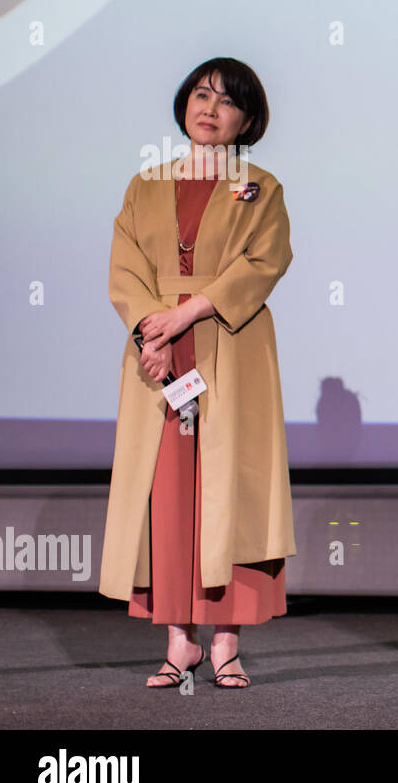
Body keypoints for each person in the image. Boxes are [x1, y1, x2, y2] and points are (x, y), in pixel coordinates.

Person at [101, 57, 295, 689]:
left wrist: (186, 313)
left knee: (228, 487)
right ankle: (178, 641)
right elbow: (125, 269)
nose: (210, 108)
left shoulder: (259, 186)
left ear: (247, 118)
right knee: (169, 491)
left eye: (227, 101)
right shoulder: (145, 184)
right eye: (201, 95)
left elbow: (263, 262)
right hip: (158, 351)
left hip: (227, 341)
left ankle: (227, 642)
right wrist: (150, 332)